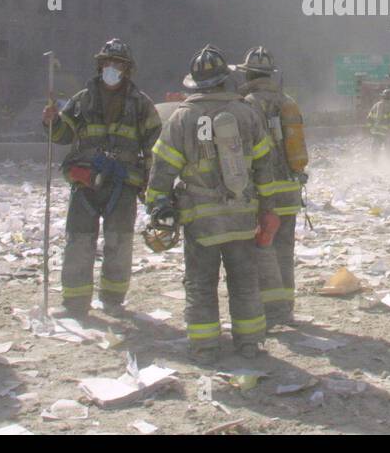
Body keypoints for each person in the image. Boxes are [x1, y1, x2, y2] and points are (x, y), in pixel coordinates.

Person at [145, 45, 275, 360]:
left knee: (201, 283)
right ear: (224, 80)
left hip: (200, 221)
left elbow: (162, 167)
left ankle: (205, 346)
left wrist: (157, 203)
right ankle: (249, 342)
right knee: (244, 280)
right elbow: (264, 164)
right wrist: (267, 208)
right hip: (241, 216)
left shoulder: (182, 118)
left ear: (196, 83)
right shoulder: (247, 113)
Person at [43, 39, 162, 316]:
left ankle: (112, 300)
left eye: (118, 64)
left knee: (118, 244)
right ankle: (75, 301)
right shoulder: (83, 100)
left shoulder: (141, 105)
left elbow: (154, 147)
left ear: (127, 69)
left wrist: (150, 183)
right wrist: (52, 121)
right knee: (79, 242)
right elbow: (62, 136)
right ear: (100, 65)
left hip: (123, 185)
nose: (112, 69)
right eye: (108, 63)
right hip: (85, 181)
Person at [236, 47, 308, 329]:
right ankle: (286, 310)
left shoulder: (246, 105)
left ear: (250, 73)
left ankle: (269, 311)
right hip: (289, 193)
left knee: (260, 251)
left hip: (261, 195)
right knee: (284, 251)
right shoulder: (289, 102)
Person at [367, 88, 390, 157]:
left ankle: (374, 164)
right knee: (389, 150)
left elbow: (369, 118)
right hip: (386, 133)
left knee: (375, 150)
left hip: (376, 132)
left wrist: (369, 129)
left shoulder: (375, 105)